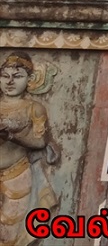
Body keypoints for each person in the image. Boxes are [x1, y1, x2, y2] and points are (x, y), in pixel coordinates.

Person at [0, 52, 59, 246]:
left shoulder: (33, 108)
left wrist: (11, 136)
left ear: (31, 79)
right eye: (5, 76)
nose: (10, 82)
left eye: (17, 76)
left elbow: (40, 142)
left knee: (9, 231)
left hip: (16, 173)